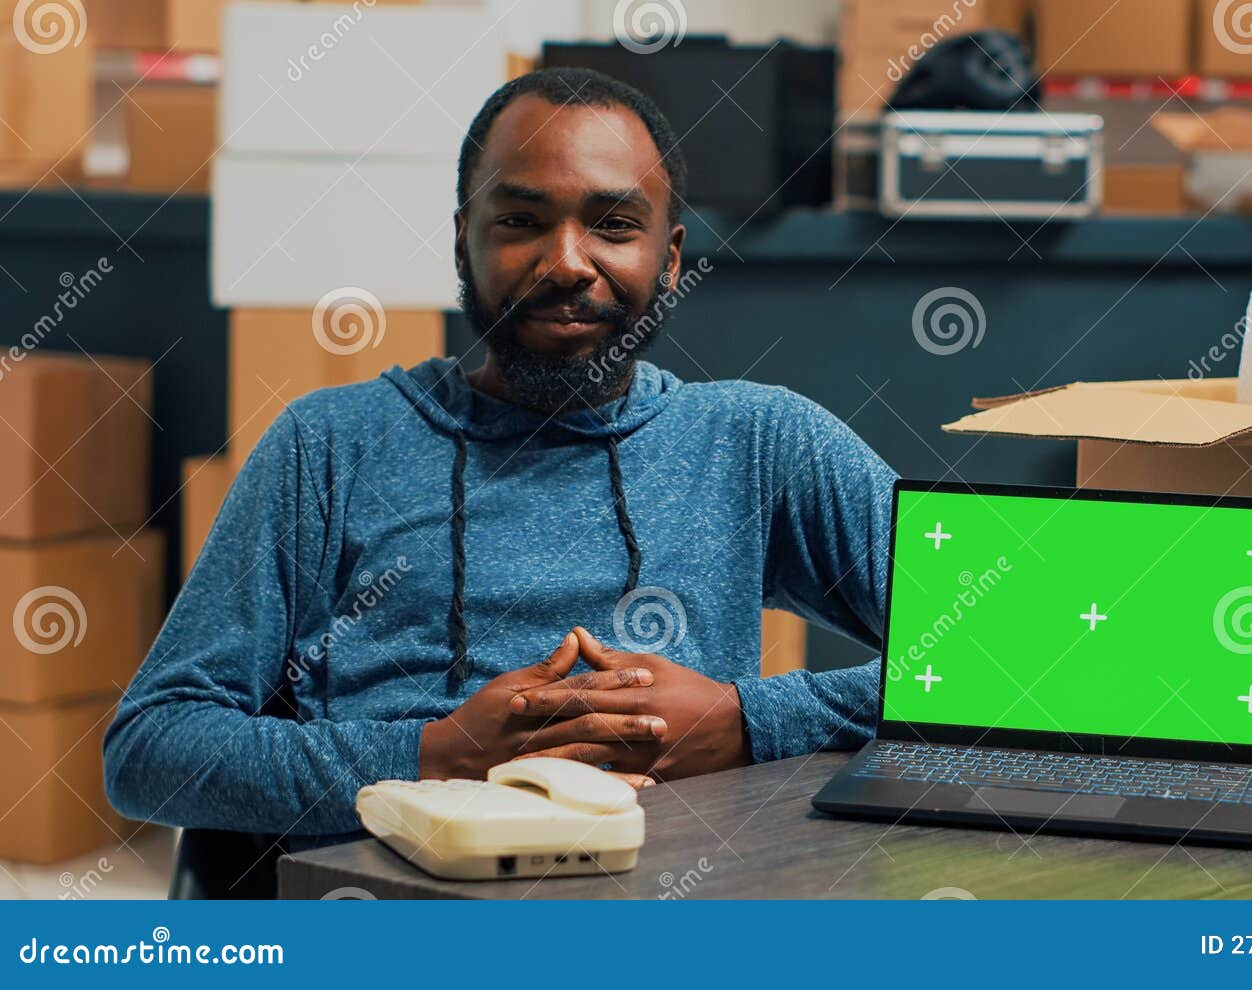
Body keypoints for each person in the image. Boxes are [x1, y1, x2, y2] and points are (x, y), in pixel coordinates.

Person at [103, 68, 894, 838]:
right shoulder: (331, 446)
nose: (568, 263)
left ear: (673, 256)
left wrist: (748, 721)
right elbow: (152, 749)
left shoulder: (758, 444)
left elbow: (1012, 651)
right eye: (520, 221)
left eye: (614, 225)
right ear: (462, 240)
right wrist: (434, 756)